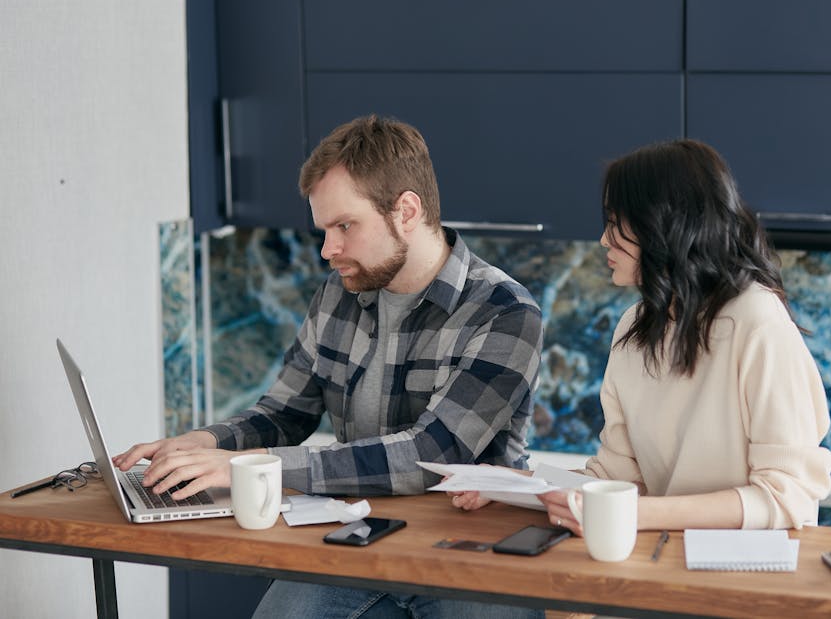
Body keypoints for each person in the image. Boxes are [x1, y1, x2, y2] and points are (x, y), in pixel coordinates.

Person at [115, 115, 544, 618]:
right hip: (361, 534)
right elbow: (283, 415)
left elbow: (432, 453)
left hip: (471, 551)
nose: (327, 250)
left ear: (406, 210)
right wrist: (204, 445)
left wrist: (252, 468)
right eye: (324, 229)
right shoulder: (338, 294)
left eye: (345, 226)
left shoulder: (504, 311)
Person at [452, 138, 831, 533]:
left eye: (617, 223)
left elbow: (788, 495)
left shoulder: (757, 320)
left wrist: (634, 514)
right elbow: (616, 476)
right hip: (665, 561)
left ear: (664, 225)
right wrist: (512, 485)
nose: (604, 240)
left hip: (749, 575)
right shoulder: (634, 327)